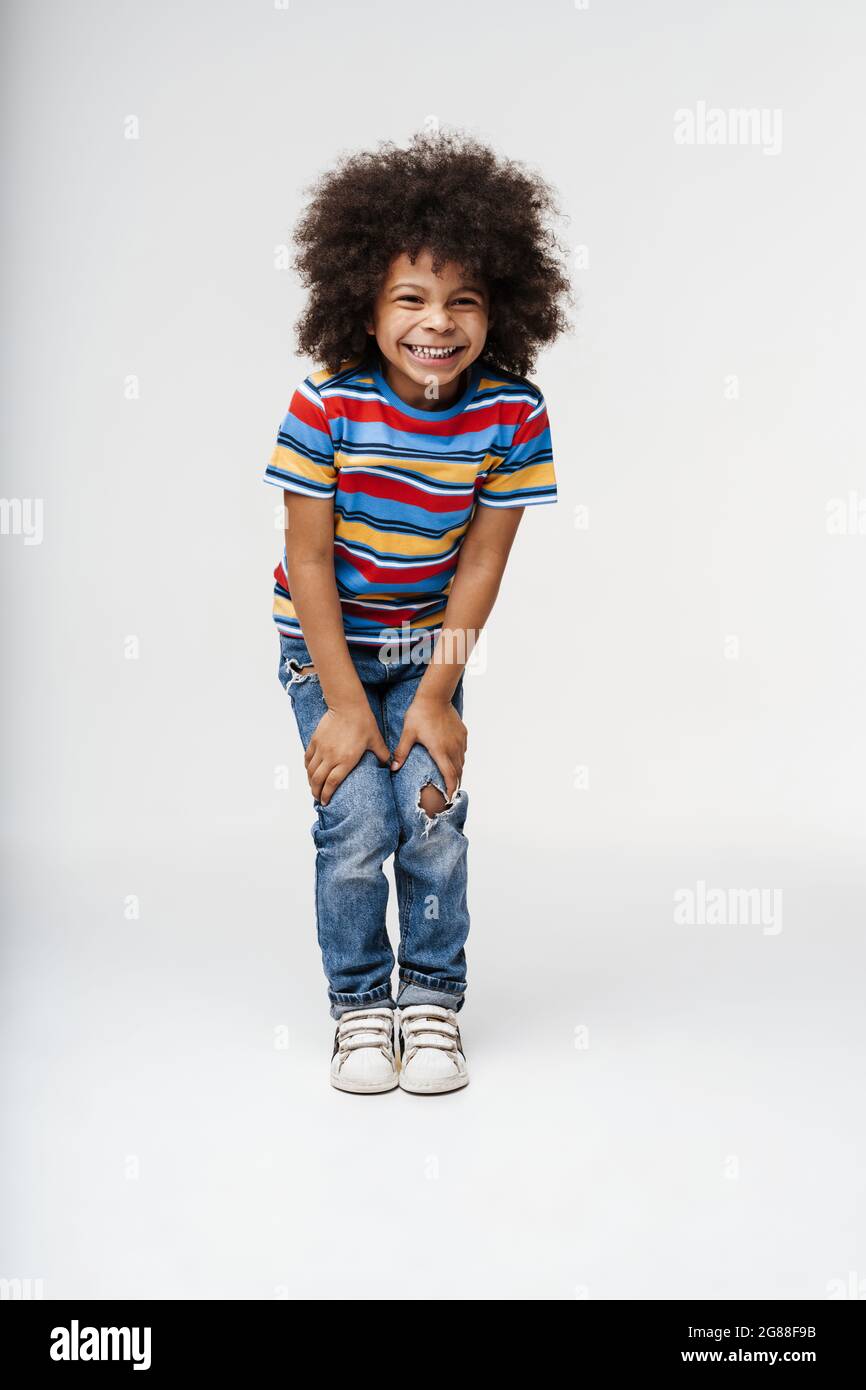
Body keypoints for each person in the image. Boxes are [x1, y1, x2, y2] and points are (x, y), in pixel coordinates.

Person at [263, 129, 571, 1094]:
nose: (436, 323)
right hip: (330, 653)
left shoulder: (513, 414)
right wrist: (348, 704)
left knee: (431, 815)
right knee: (356, 822)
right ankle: (360, 1009)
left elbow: (482, 565)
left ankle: (431, 1001)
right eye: (411, 297)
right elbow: (307, 560)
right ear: (363, 301)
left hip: (429, 651)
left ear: (499, 311)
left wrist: (437, 693)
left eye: (463, 302)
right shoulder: (325, 408)